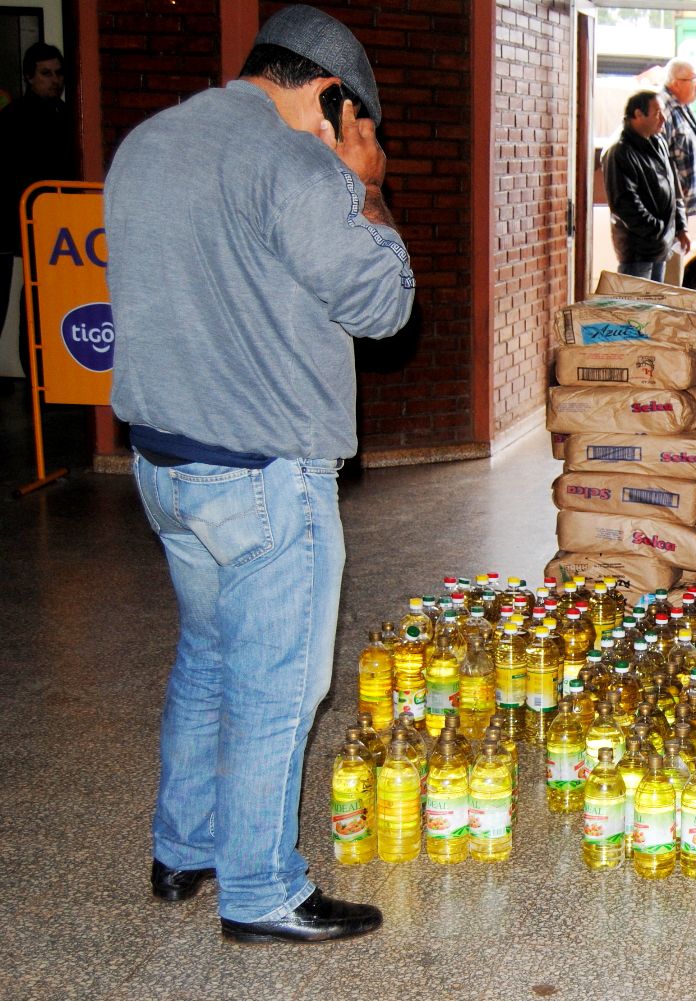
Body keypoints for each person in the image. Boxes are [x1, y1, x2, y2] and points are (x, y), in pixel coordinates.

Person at [105, 5, 414, 944]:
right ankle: (261, 890)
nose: (353, 138)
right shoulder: (298, 164)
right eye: (352, 118)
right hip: (264, 476)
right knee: (281, 684)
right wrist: (367, 189)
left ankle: (182, 848)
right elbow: (385, 305)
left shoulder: (147, 142)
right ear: (328, 95)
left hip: (165, 467)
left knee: (207, 657)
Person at [0, 42, 74, 377]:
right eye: (46, 74)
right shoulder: (15, 118)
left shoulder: (67, 115)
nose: (55, 80)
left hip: (57, 223)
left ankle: (49, 372)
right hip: (26, 221)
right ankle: (36, 373)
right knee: (30, 298)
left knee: (49, 298)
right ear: (30, 76)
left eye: (59, 73)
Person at [602, 89, 689, 282]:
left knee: (653, 309)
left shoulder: (658, 142)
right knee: (637, 309)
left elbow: (673, 189)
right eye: (657, 113)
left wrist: (680, 227)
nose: (663, 119)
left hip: (659, 247)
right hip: (638, 252)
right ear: (638, 115)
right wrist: (659, 231)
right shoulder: (619, 151)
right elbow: (625, 204)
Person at [659, 58, 696, 286]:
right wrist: (679, 222)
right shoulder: (664, 109)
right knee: (669, 278)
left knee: (675, 272)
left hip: (680, 210)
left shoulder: (683, 107)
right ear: (675, 83)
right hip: (668, 211)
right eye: (693, 81)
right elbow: (663, 165)